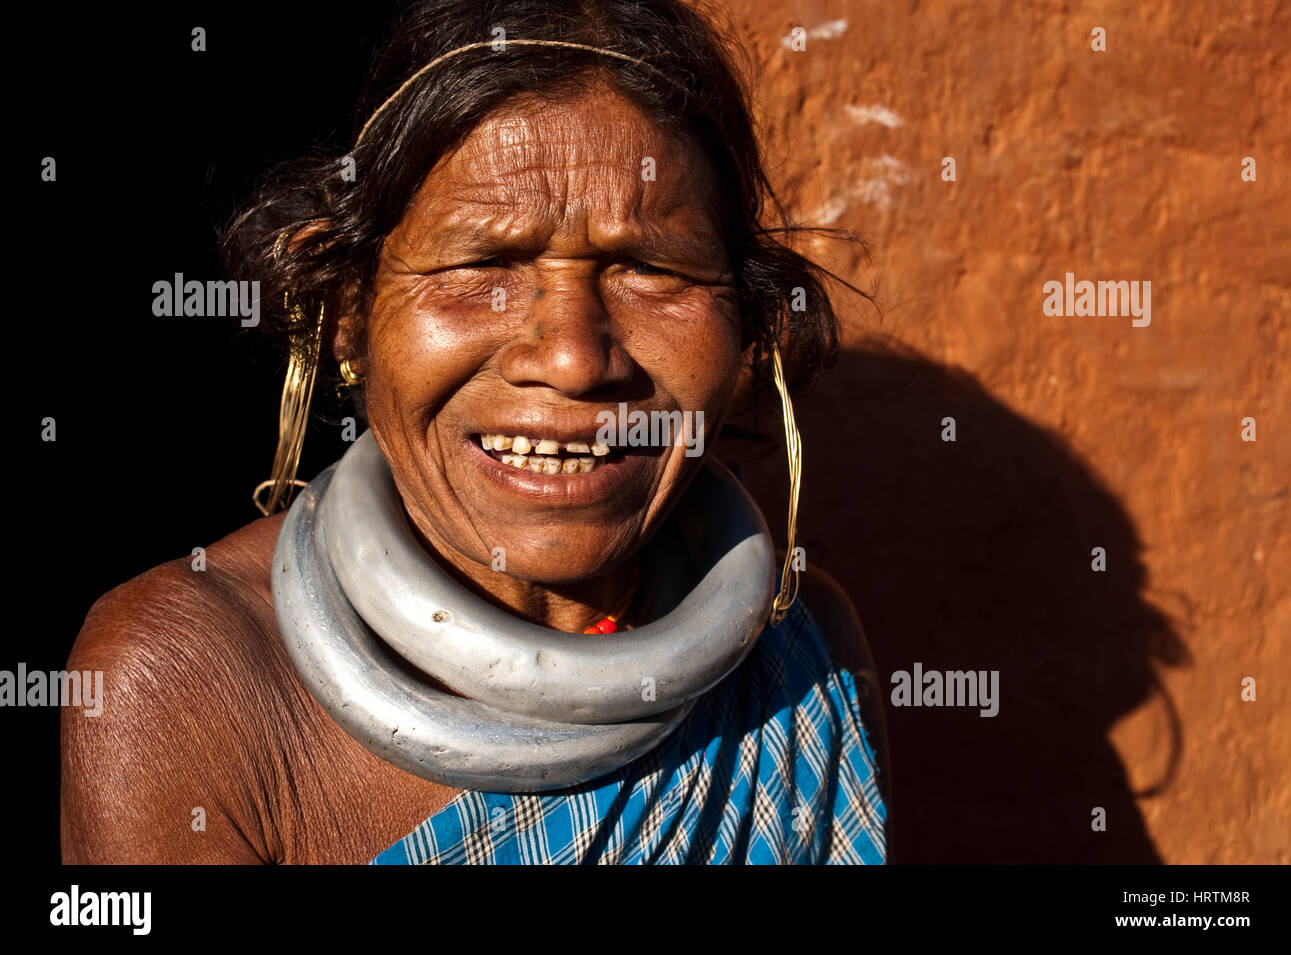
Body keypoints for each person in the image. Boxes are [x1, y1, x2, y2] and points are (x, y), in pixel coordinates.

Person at [61, 0, 889, 865]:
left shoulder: (806, 658)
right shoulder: (182, 685)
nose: (572, 359)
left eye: (649, 269)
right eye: (484, 265)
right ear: (345, 312)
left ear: (749, 326)